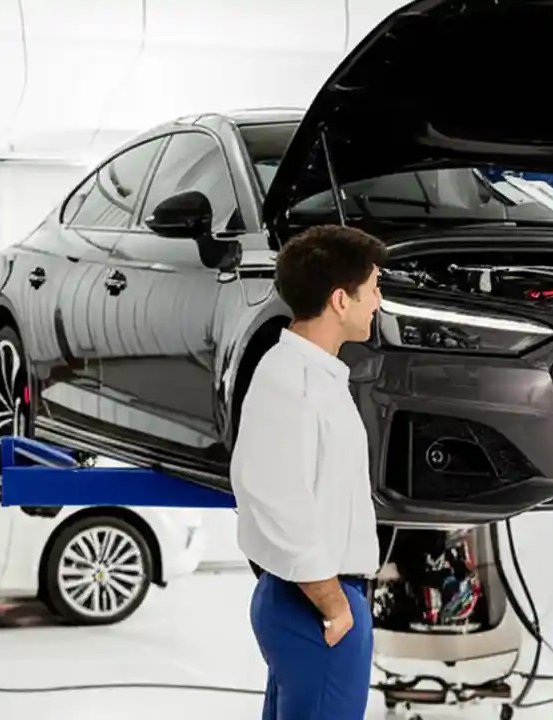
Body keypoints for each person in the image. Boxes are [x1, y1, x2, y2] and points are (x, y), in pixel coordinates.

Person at [230, 224, 388, 719]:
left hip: (311, 599)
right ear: (341, 300)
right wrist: (335, 605)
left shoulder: (311, 374)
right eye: (375, 288)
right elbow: (274, 495)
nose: (379, 303)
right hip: (316, 607)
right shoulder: (291, 380)